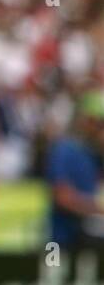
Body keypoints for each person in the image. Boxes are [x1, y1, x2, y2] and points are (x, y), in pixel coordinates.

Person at [44, 93, 104, 252]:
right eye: (99, 123)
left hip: (88, 242)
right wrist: (98, 209)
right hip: (62, 243)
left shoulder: (94, 153)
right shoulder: (64, 150)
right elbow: (63, 198)